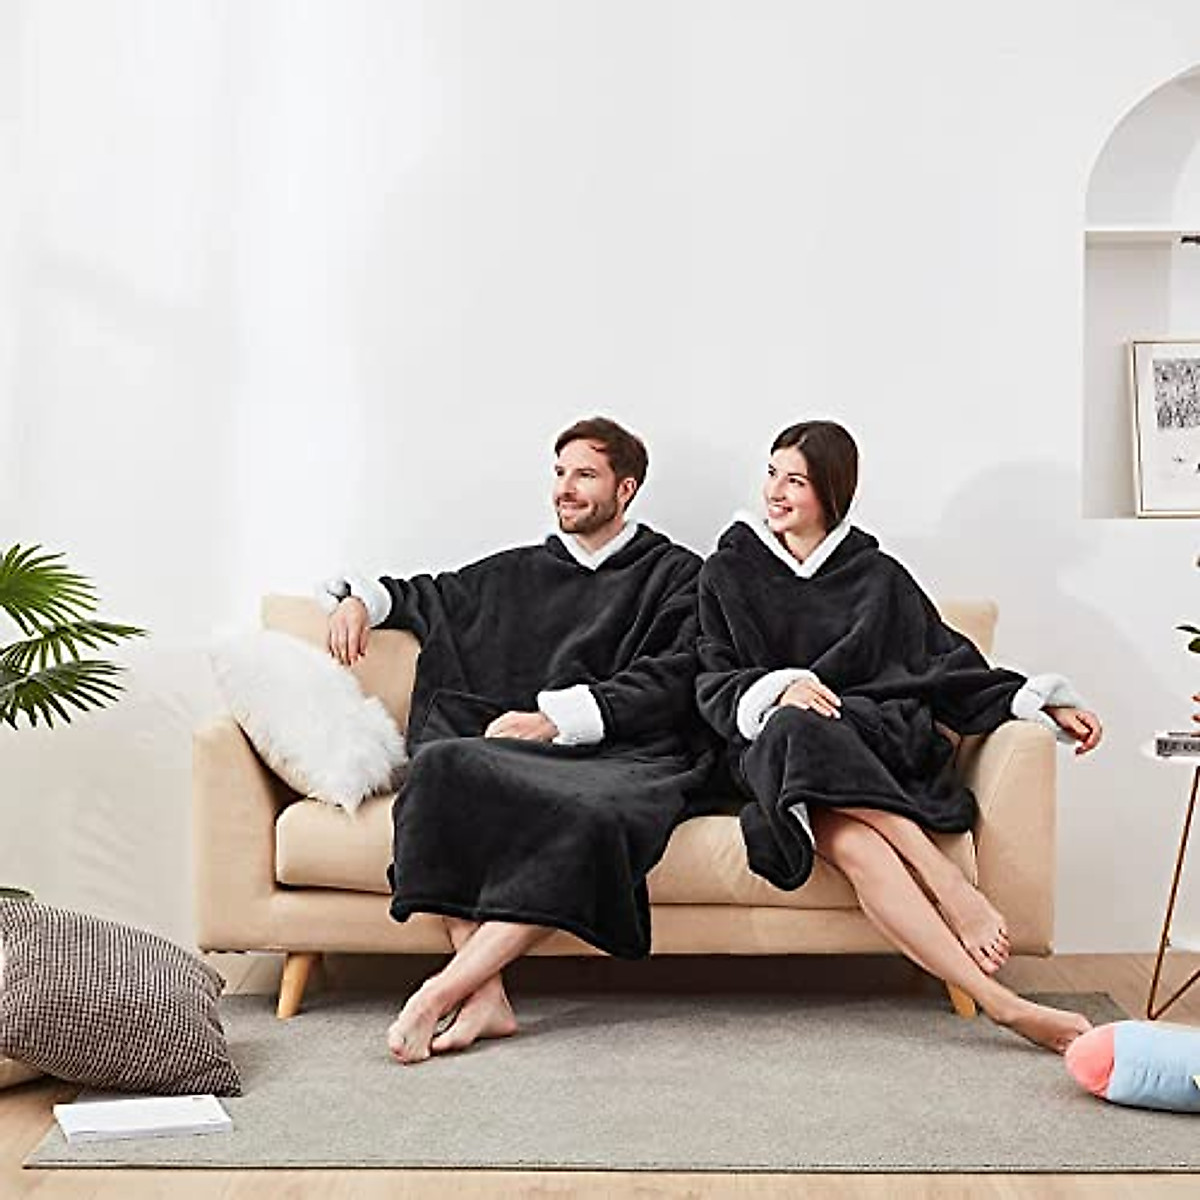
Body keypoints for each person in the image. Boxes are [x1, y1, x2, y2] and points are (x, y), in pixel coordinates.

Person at [696, 419, 1104, 1053]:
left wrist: (1037, 704)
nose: (775, 491)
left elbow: (946, 663)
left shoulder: (878, 576)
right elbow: (711, 675)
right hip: (778, 754)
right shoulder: (727, 572)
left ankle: (999, 1001)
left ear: (831, 492)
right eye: (772, 473)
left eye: (795, 481)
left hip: (868, 748)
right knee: (794, 723)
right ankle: (963, 918)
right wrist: (778, 688)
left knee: (855, 844)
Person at [325, 417, 714, 1064]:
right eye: (559, 473)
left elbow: (677, 675)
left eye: (584, 475)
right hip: (521, 755)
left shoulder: (677, 576)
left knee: (590, 814)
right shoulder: (515, 573)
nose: (565, 488)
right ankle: (487, 996)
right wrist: (357, 602)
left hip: (626, 755)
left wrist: (559, 719)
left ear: (625, 489)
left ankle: (441, 990)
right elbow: (422, 597)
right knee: (439, 771)